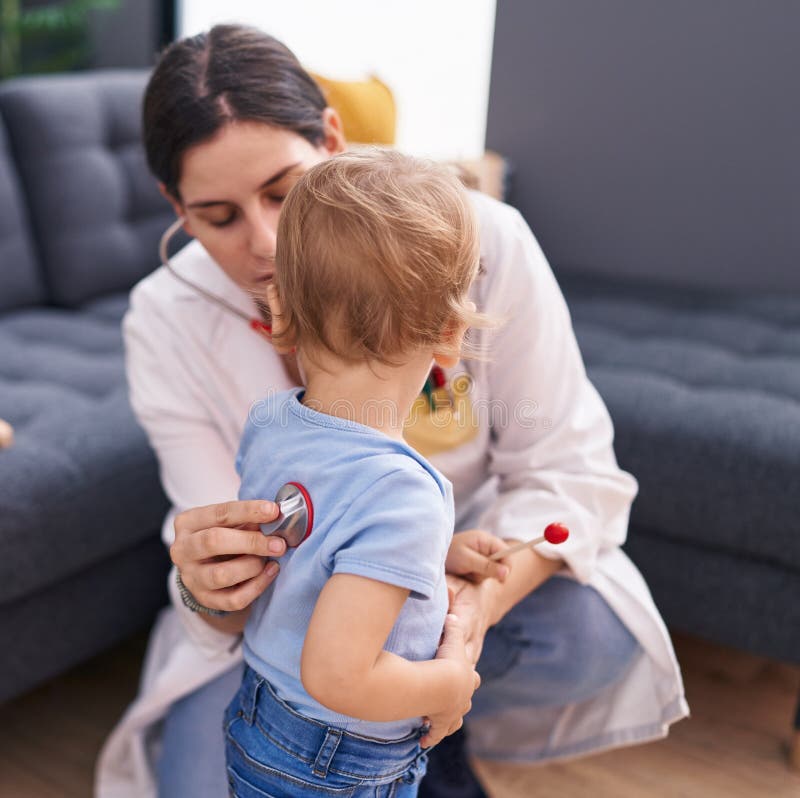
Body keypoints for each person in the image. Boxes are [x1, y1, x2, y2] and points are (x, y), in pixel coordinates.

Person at [96, 24, 688, 798]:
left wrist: (463, 626)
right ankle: (419, 743)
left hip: (435, 592)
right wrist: (205, 585)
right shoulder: (166, 321)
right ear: (175, 207)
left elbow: (571, 471)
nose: (269, 245)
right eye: (219, 217)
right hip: (269, 649)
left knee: (592, 634)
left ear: (332, 139)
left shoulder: (480, 244)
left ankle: (417, 738)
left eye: (283, 191)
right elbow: (241, 565)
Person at [227, 148, 504, 796]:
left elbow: (316, 550)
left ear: (281, 316)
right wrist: (451, 683)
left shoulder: (271, 423)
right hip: (336, 759)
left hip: (259, 716)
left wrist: (434, 556)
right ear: (450, 334)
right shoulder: (405, 495)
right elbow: (338, 676)